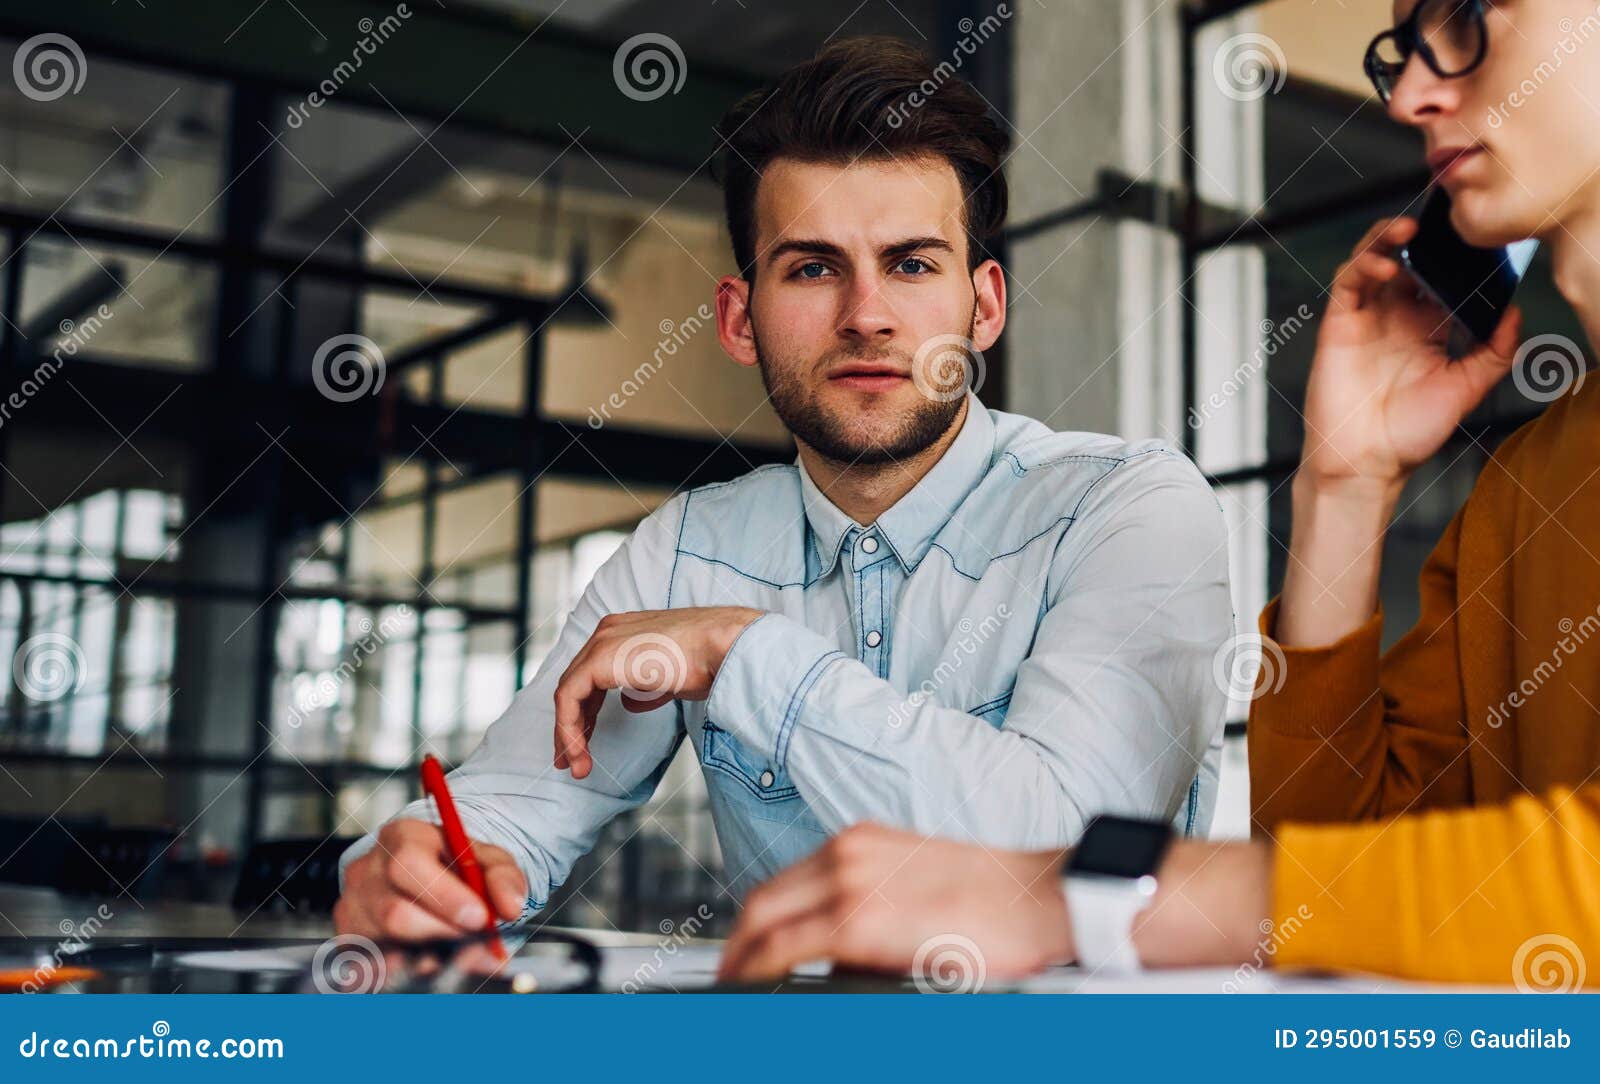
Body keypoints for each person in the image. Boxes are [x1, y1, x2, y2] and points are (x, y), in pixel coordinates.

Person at [720, 0, 1600, 989]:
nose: (1408, 92)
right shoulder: (1528, 484)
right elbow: (1337, 881)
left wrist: (1078, 896)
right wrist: (1343, 485)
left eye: (1467, 15)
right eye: (1399, 50)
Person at [332, 37, 1231, 942]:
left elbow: (1077, 860)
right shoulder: (684, 554)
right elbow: (512, 807)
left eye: (913, 264)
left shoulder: (1128, 510)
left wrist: (745, 654)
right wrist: (421, 865)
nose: (866, 315)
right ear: (738, 317)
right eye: (812, 267)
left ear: (985, 307)